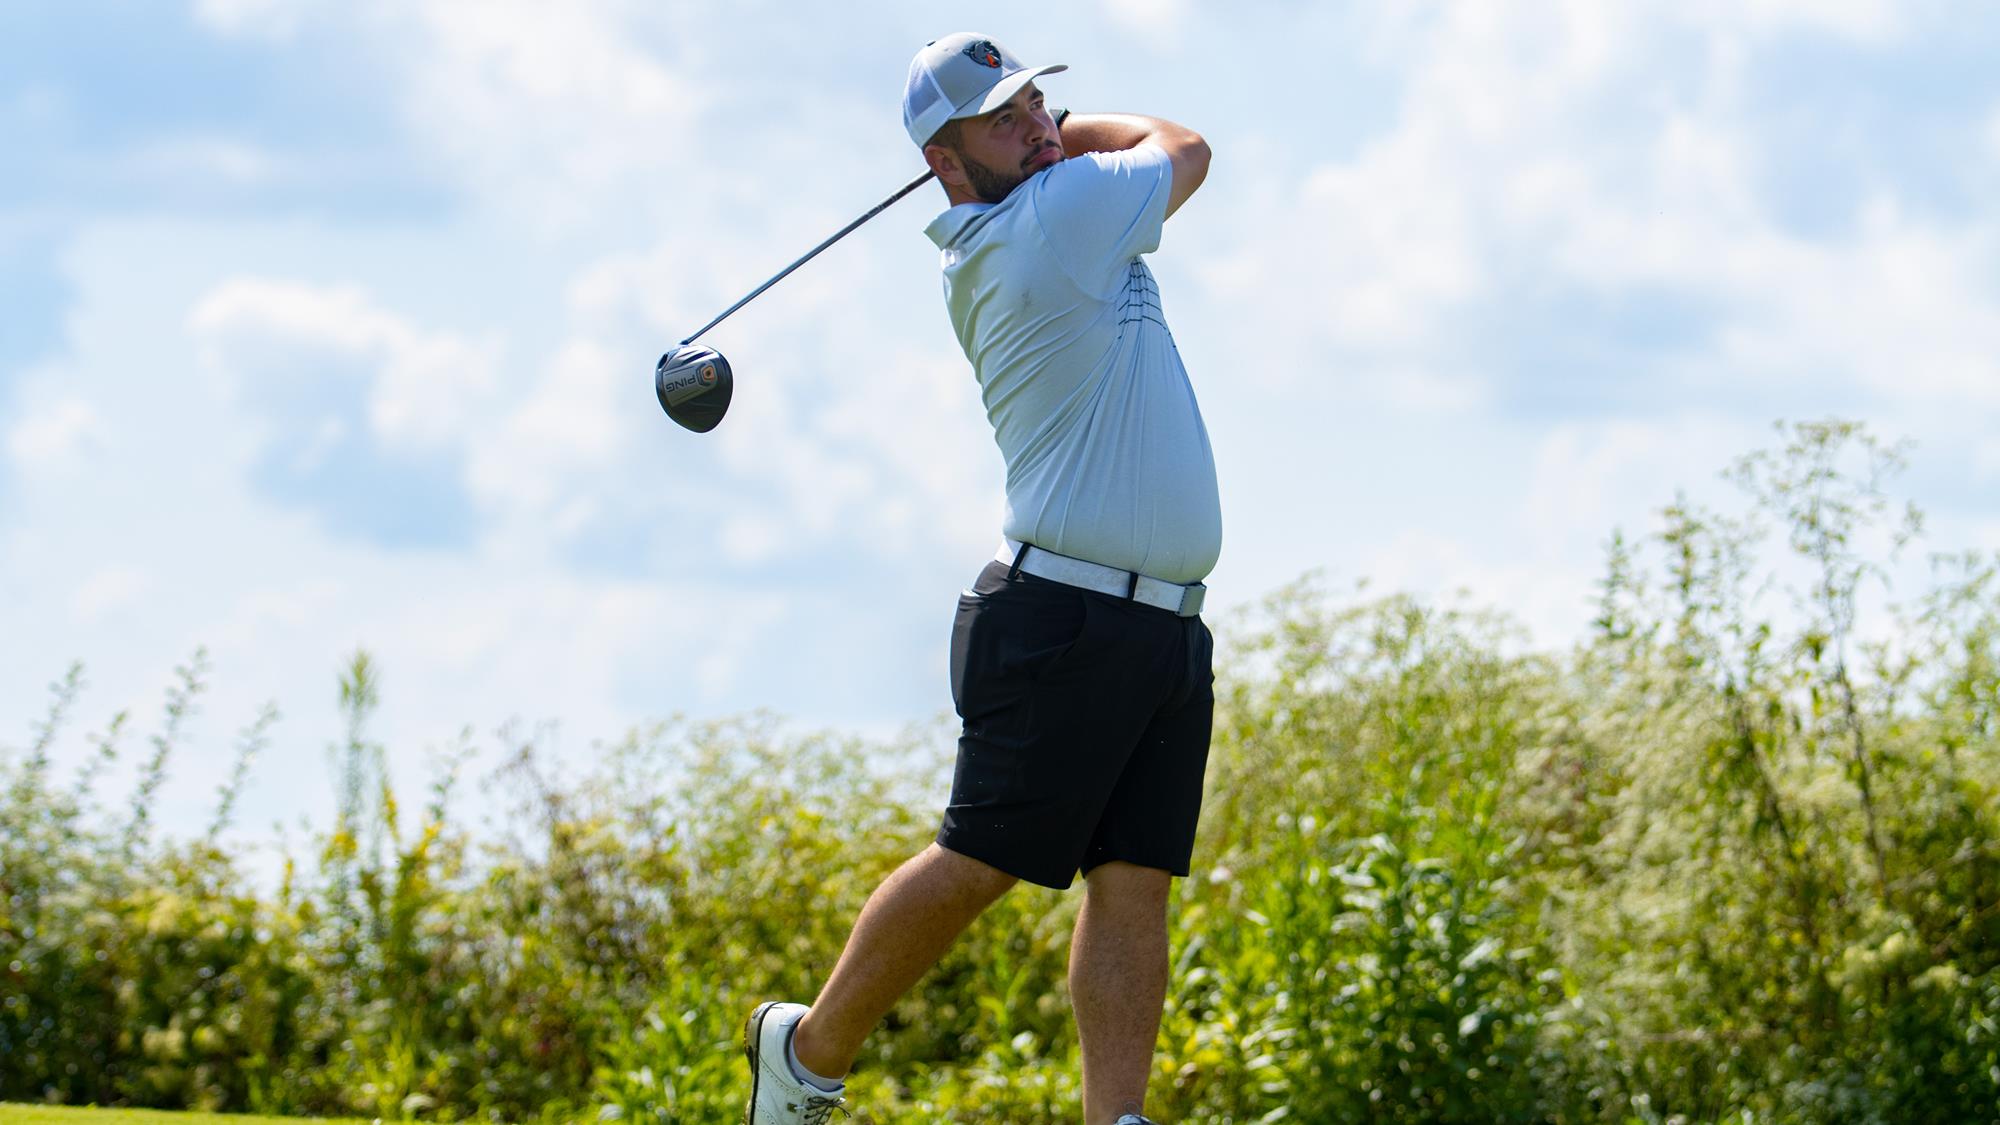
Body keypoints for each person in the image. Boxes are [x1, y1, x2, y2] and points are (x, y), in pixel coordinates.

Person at [743, 32, 1220, 1125]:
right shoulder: (1050, 221)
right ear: (947, 169)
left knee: (1133, 874)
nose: (1040, 127)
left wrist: (1043, 139)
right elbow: (1186, 147)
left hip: (1158, 627)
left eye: (1038, 106)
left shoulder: (1048, 210)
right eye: (1004, 121)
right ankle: (805, 1054)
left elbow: (1127, 157)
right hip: (1067, 615)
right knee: (981, 860)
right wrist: (1082, 133)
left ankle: (1118, 1118)